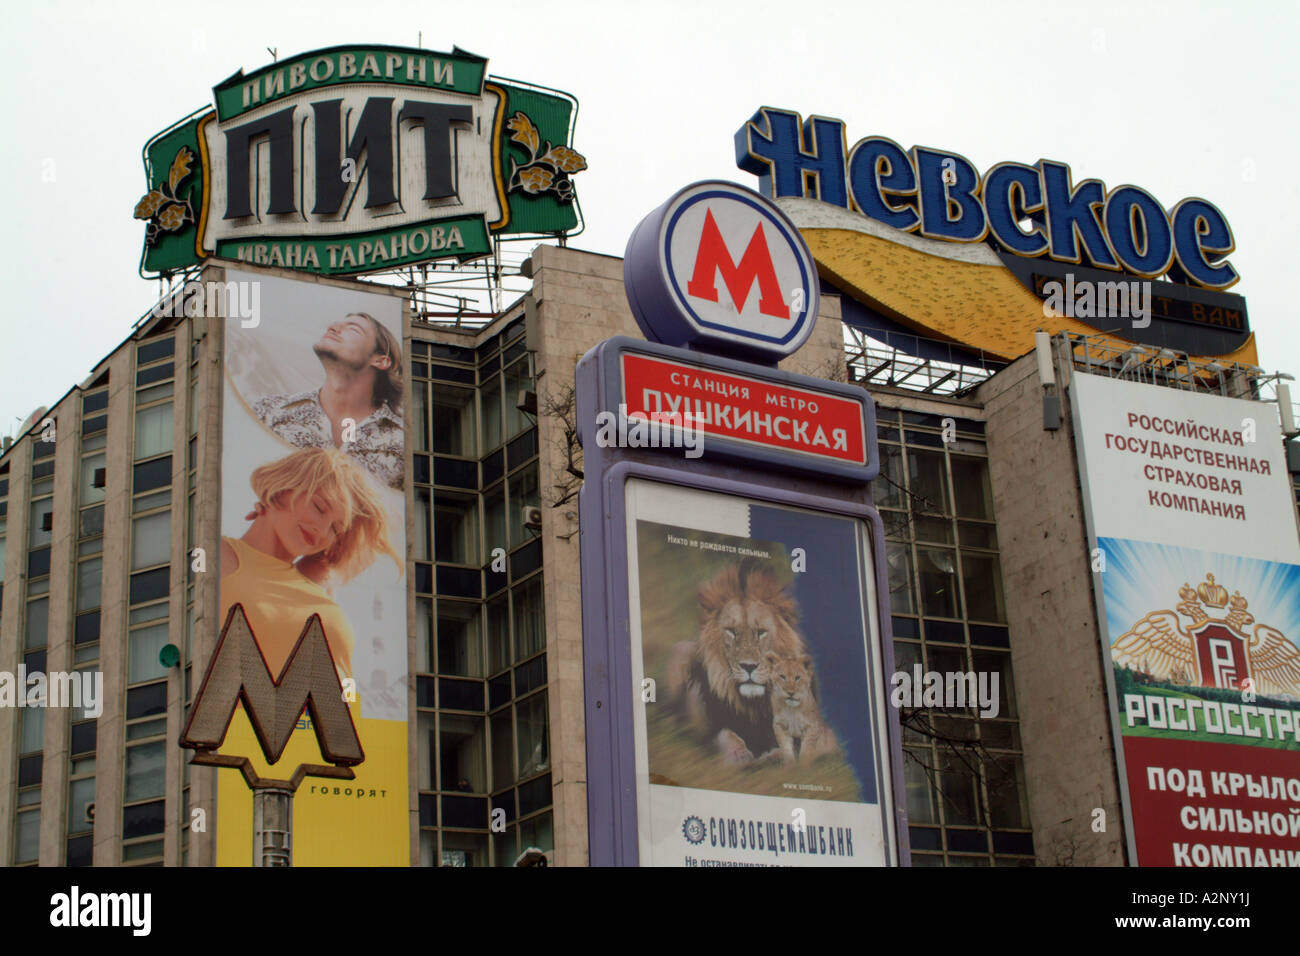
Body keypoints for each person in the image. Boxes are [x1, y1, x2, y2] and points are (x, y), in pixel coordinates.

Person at [220, 447, 401, 681]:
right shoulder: (220, 553)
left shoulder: (317, 583)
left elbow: (393, 522)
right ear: (284, 487)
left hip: (333, 716)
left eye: (335, 528)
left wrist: (320, 570)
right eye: (318, 507)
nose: (322, 531)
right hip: (243, 714)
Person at [252, 312, 405, 490]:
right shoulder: (269, 410)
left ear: (380, 360)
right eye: (336, 323)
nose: (333, 327)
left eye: (353, 329)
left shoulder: (401, 439)